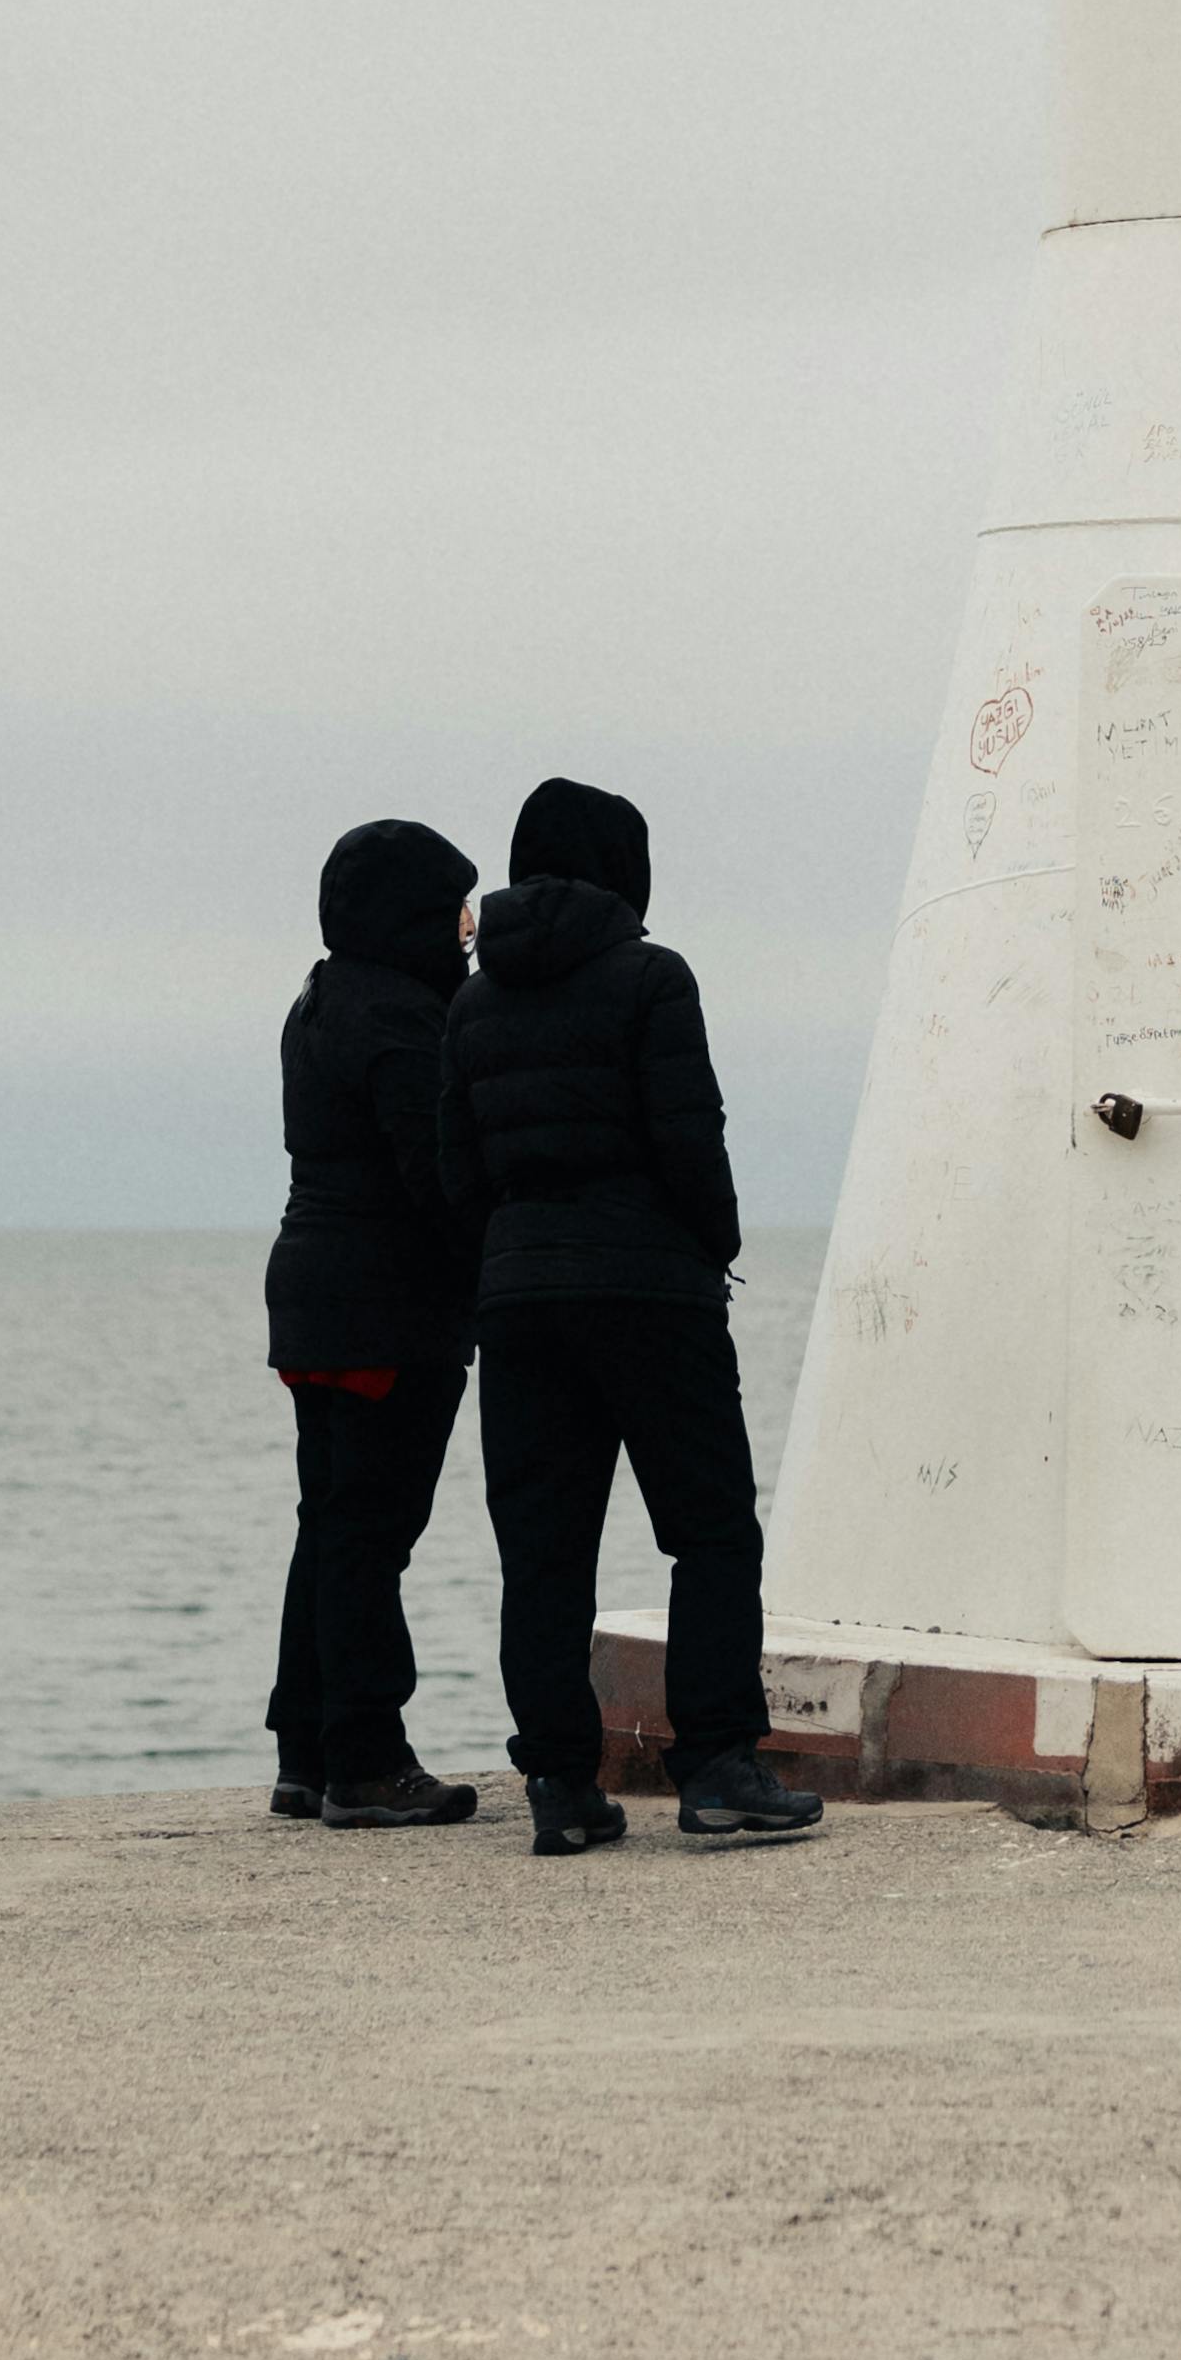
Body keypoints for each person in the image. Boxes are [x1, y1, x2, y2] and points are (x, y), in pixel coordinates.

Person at [441, 771, 824, 1854]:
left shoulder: (472, 1000)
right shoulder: (652, 976)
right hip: (651, 1289)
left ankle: (562, 1787)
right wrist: (717, 1243)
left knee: (543, 1550)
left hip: (520, 1300)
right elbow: (689, 1136)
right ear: (627, 866)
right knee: (707, 1530)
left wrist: (508, 1258)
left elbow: (454, 1170)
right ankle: (716, 1769)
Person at [262, 812, 483, 1832]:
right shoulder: (401, 1015)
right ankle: (366, 1756)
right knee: (370, 1535)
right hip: (385, 1306)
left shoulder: (319, 1000)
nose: (466, 931)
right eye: (451, 912)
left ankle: (305, 1751)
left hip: (313, 1291)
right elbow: (433, 1171)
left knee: (332, 1523)